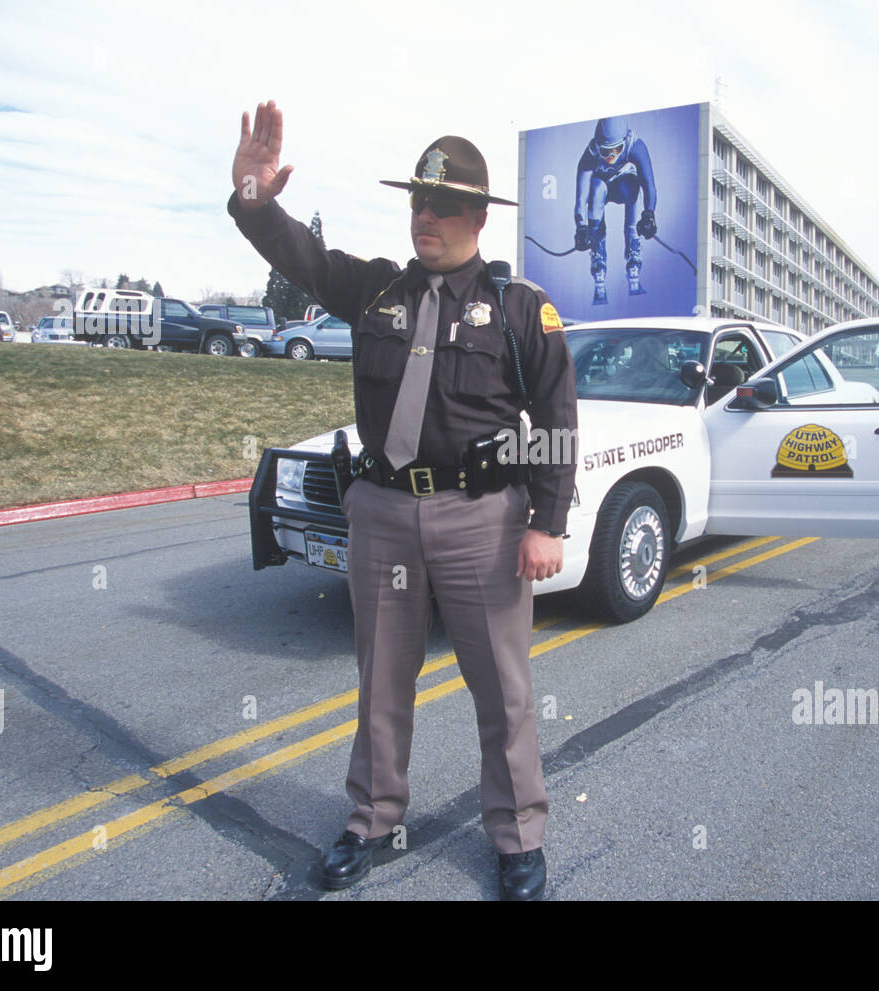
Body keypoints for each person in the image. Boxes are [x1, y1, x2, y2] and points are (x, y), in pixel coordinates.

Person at [228, 101, 577, 901]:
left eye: (444, 203)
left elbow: (558, 415)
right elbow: (304, 257)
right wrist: (256, 199)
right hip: (383, 513)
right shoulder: (378, 289)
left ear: (478, 216)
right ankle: (372, 818)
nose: (426, 216)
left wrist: (548, 522)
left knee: (503, 689)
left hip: (482, 520)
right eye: (418, 200)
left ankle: (519, 836)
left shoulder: (522, 308)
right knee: (381, 678)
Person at [573, 116, 658, 305]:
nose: (611, 156)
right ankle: (598, 261)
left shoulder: (635, 146)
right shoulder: (591, 152)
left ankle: (633, 258)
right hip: (601, 187)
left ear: (625, 141)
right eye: (605, 151)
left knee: (633, 187)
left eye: (616, 150)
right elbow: (581, 195)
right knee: (595, 189)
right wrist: (582, 226)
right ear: (597, 146)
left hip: (626, 187)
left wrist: (649, 214)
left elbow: (648, 183)